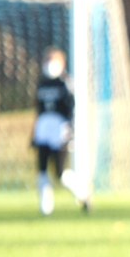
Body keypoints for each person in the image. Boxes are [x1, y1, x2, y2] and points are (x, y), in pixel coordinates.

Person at [31, 46, 89, 215]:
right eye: (46, 60)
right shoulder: (41, 83)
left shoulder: (66, 83)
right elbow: (39, 108)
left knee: (60, 173)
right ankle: (45, 208)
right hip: (43, 129)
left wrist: (70, 129)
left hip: (60, 130)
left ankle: (82, 194)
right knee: (42, 170)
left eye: (52, 60)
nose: (49, 64)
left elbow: (72, 108)